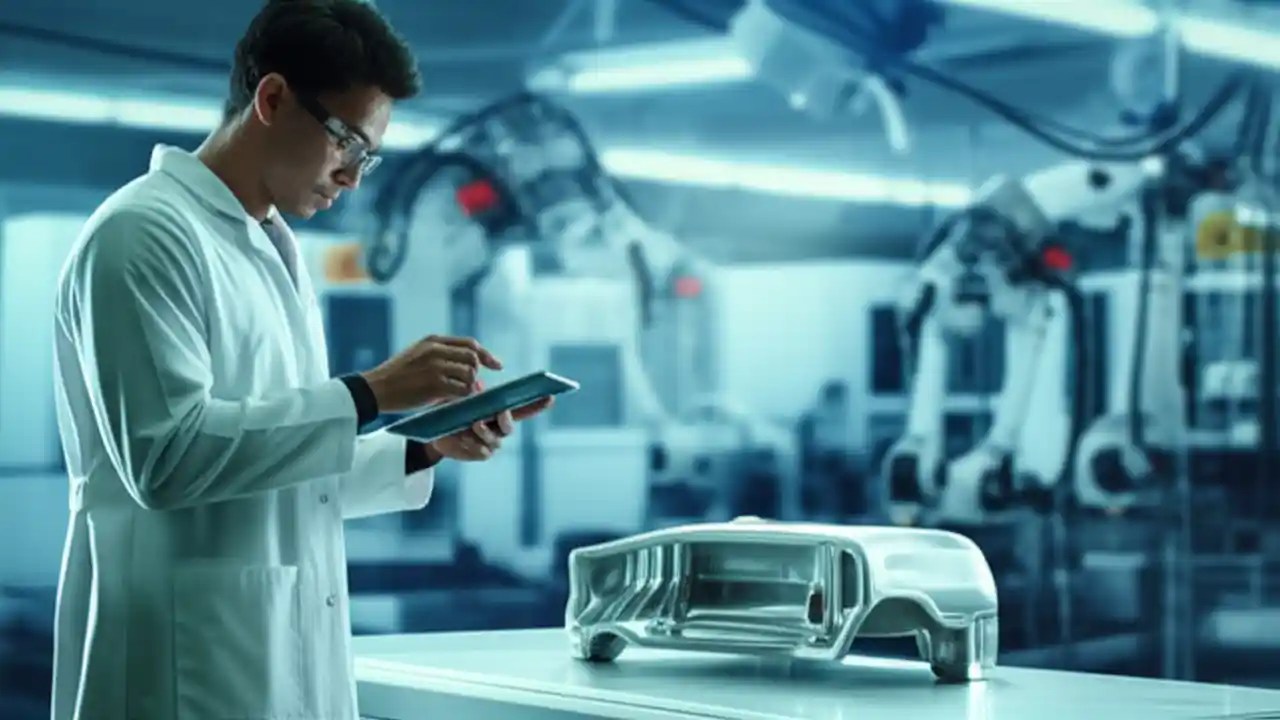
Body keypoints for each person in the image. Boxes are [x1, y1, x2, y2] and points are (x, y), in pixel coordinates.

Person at [48, 1, 552, 718]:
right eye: (348, 141)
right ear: (273, 98)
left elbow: (280, 469)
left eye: (369, 156)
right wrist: (369, 394)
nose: (354, 176)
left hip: (273, 657)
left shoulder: (272, 248)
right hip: (179, 669)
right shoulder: (142, 236)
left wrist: (421, 447)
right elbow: (166, 461)